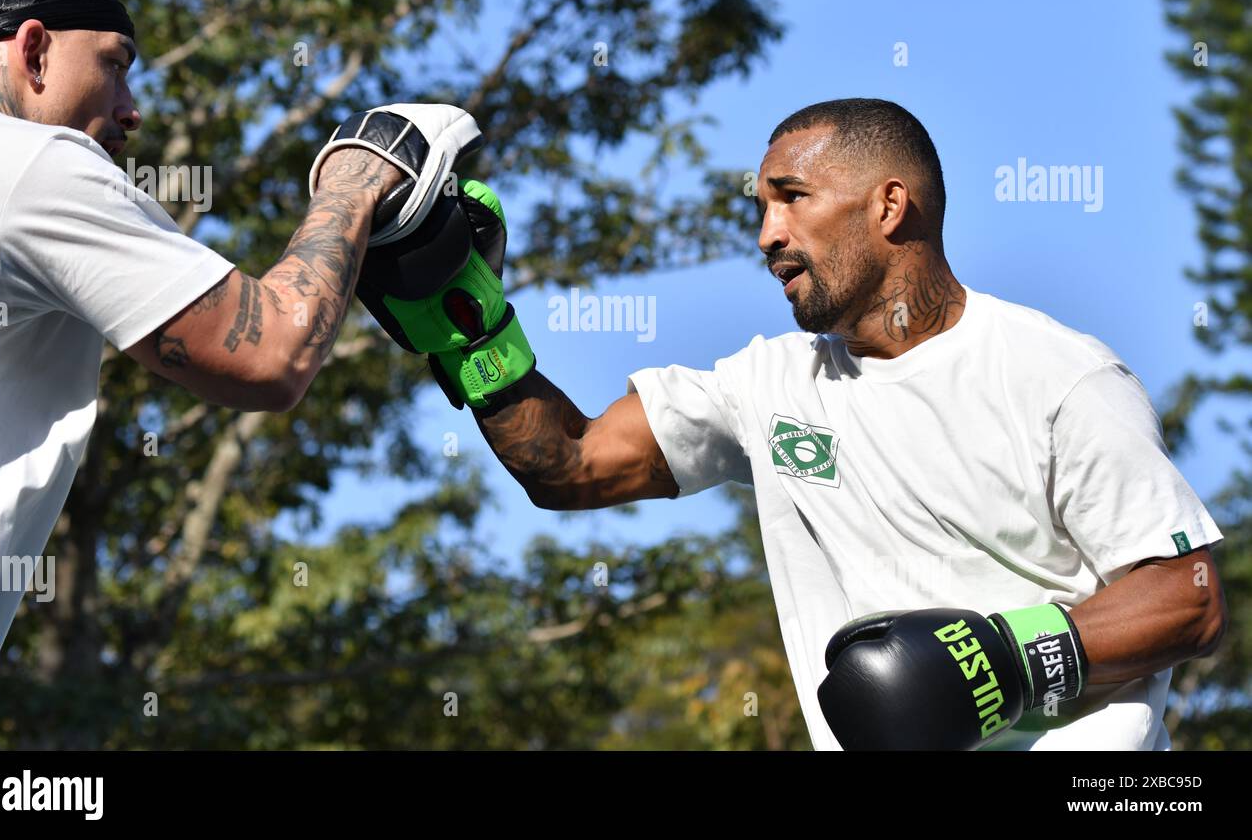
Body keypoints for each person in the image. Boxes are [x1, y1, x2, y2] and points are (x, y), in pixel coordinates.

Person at [378, 97, 1228, 749]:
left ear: (890, 207)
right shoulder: (770, 384)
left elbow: (1187, 600)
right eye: (758, 207)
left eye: (791, 199)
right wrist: (472, 328)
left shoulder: (1060, 376)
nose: (766, 235)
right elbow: (571, 464)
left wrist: (1000, 664)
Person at [0, 0, 477, 749]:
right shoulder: (22, 163)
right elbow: (269, 353)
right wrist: (360, 178)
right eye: (116, 66)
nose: (131, 110)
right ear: (33, 50)